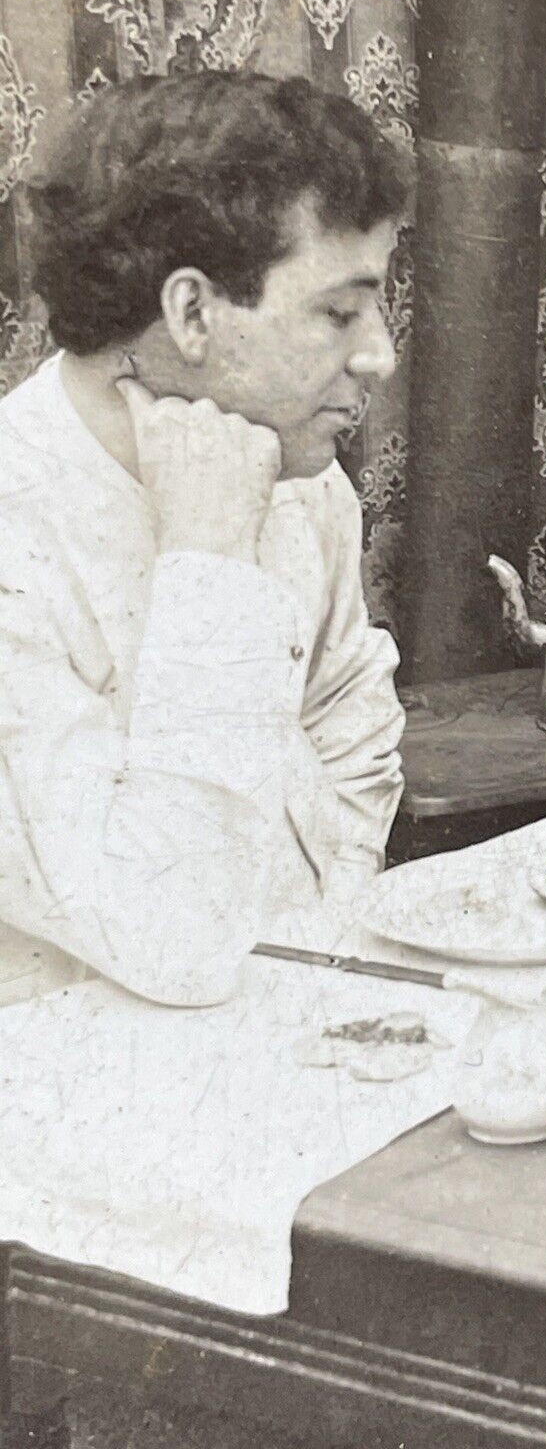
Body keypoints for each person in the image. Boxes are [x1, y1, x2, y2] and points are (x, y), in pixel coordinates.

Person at [0, 71, 408, 1006]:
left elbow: (352, 718)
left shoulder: (302, 478)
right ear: (191, 312)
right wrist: (209, 562)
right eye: (339, 312)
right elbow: (177, 940)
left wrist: (324, 929)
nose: (378, 354)